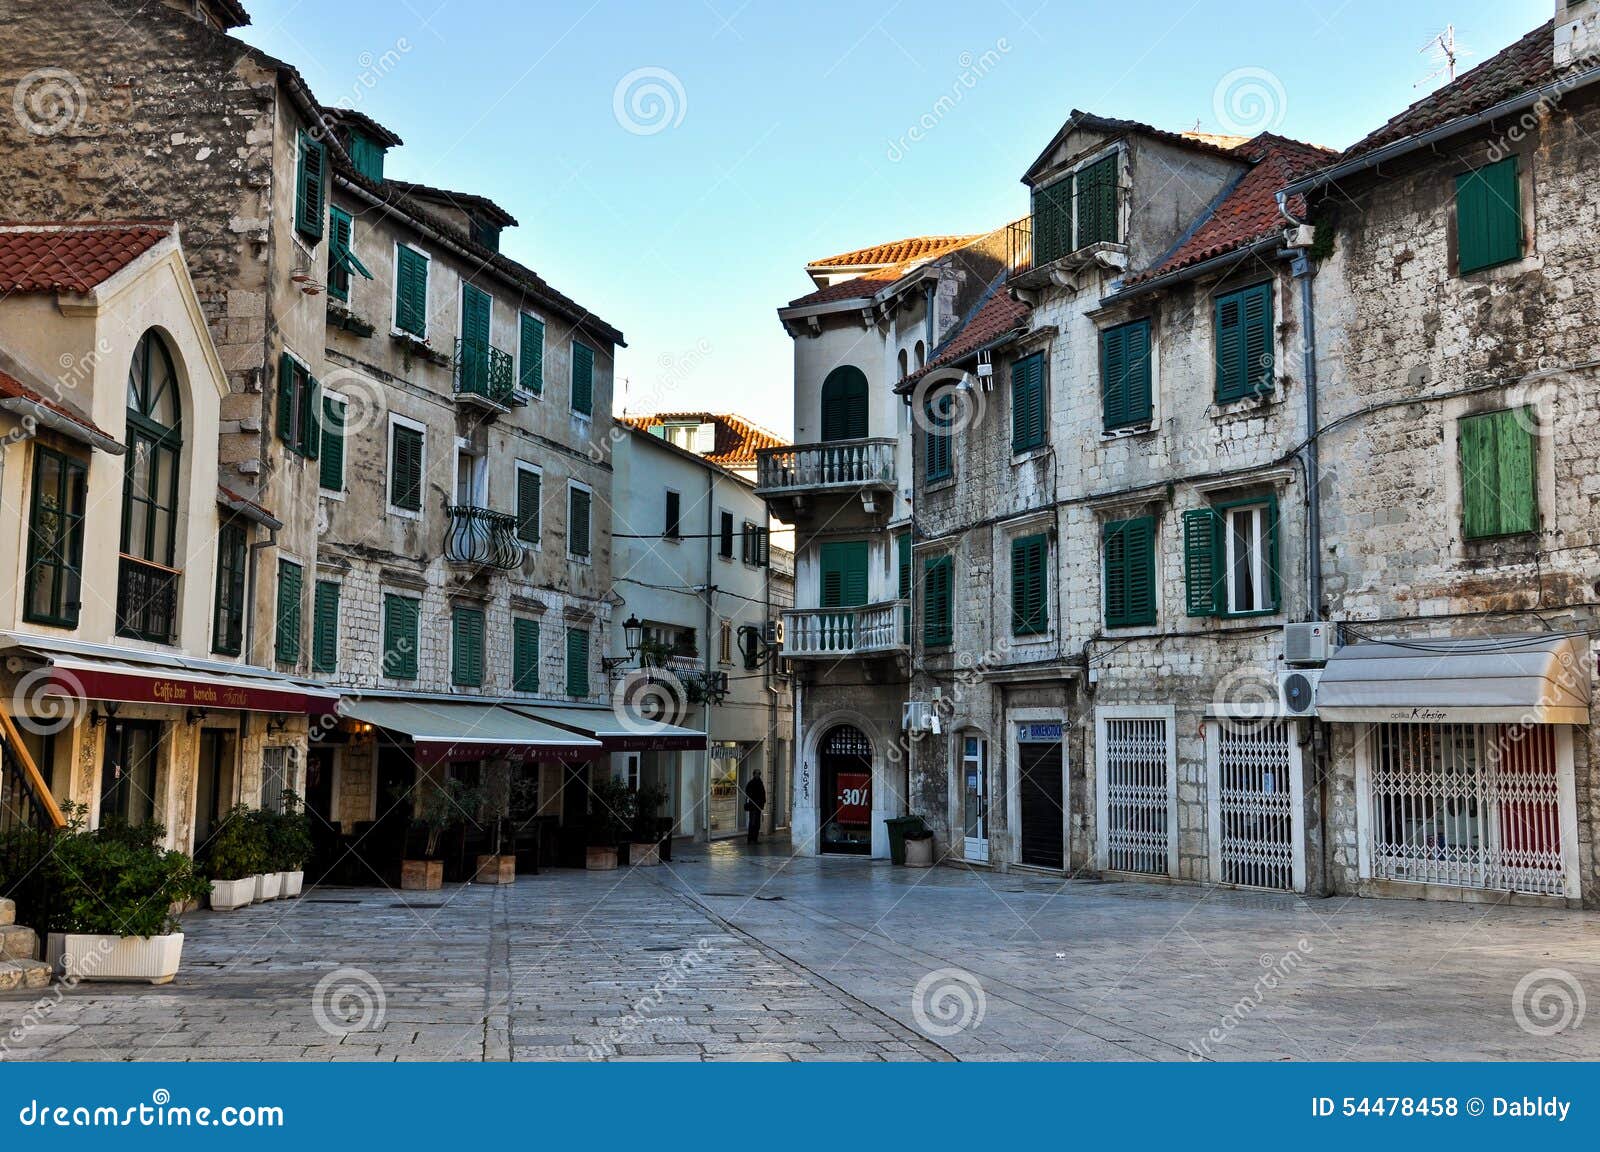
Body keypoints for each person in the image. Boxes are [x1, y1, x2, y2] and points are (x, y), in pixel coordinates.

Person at [743, 770, 766, 845]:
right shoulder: (751, 783)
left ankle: (755, 839)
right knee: (752, 823)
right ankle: (750, 839)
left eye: (759, 774)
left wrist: (762, 803)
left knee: (757, 824)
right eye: (757, 774)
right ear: (754, 775)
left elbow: (763, 794)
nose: (758, 775)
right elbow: (748, 793)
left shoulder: (760, 783)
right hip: (753, 806)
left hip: (758, 806)